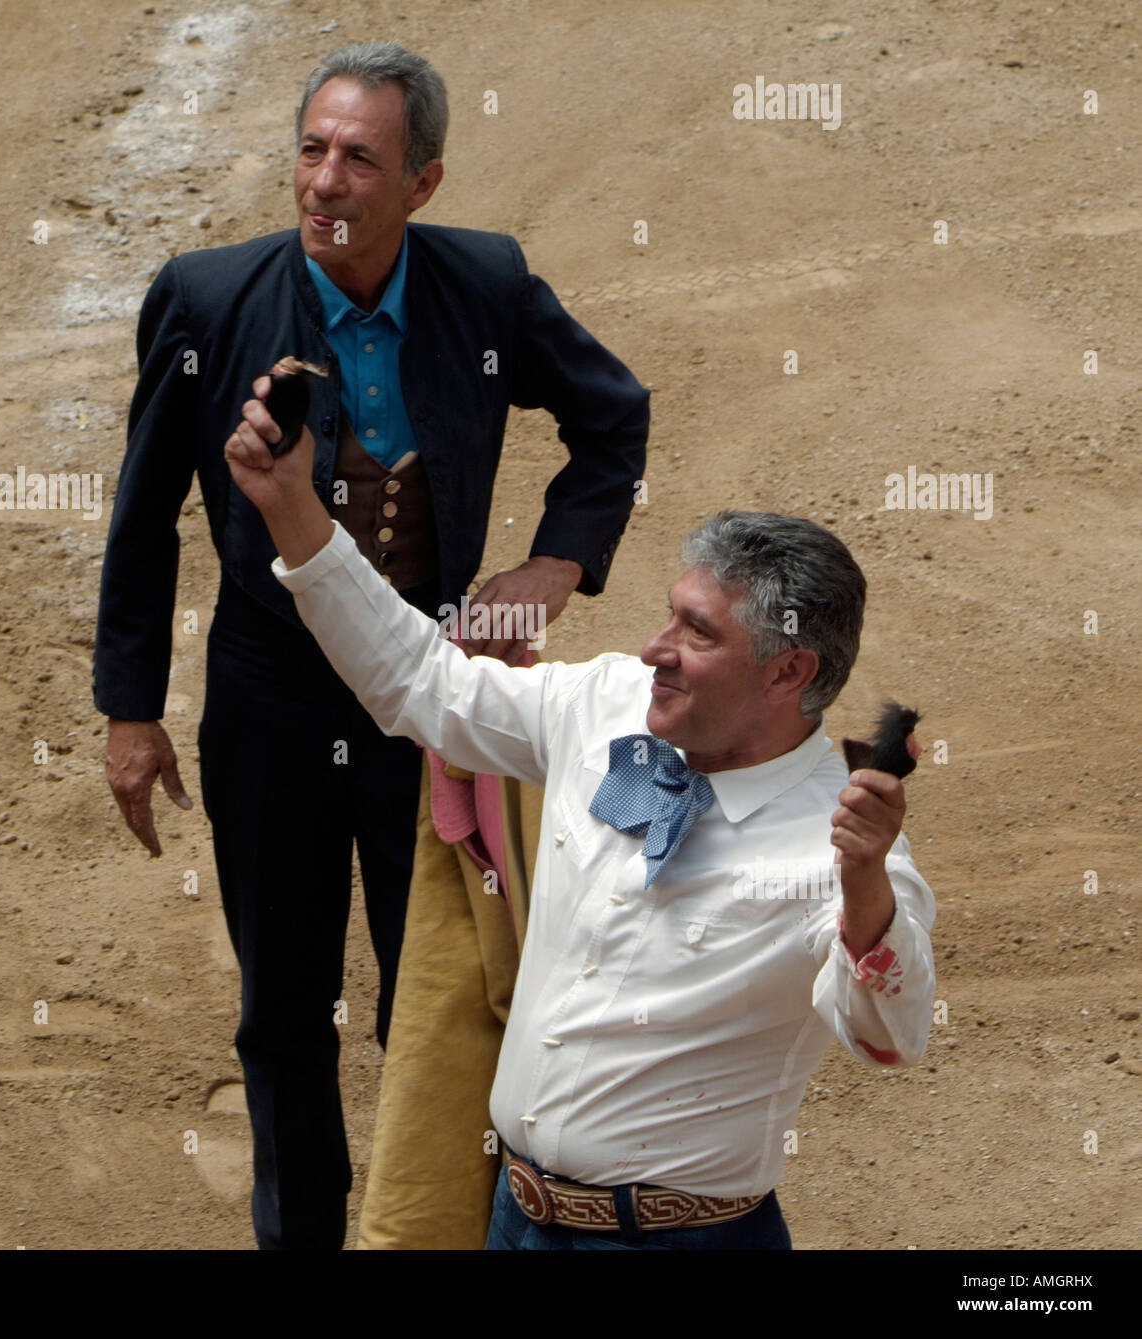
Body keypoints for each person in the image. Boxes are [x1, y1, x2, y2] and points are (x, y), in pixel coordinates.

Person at [92, 39, 648, 1250]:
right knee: (282, 1010)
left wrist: (552, 566)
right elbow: (142, 515)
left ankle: (435, 1229)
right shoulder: (206, 299)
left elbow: (614, 417)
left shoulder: (487, 286)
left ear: (422, 184)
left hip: (433, 697)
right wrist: (131, 711)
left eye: (359, 158)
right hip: (268, 696)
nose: (325, 183)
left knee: (441, 996)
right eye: (311, 150)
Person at [219, 406, 937, 1250]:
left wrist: (862, 884)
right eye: (671, 614)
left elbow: (891, 1034)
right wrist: (293, 508)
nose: (653, 648)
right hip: (515, 1220)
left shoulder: (835, 852)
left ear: (789, 671)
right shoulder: (603, 704)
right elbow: (419, 680)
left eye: (696, 633)